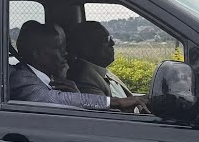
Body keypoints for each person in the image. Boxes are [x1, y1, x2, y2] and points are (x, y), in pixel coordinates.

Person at [10, 21, 146, 112]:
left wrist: (76, 95)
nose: (66, 53)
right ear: (37, 53)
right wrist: (116, 102)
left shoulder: (50, 78)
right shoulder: (21, 78)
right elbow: (53, 99)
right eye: (58, 48)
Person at [66, 21, 135, 98]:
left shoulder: (102, 72)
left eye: (110, 38)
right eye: (106, 40)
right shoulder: (86, 80)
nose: (112, 43)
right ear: (87, 48)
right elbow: (108, 109)